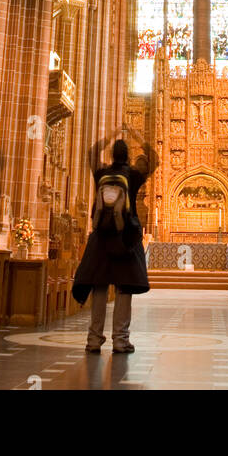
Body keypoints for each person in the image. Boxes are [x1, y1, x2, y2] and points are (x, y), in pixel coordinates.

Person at [72, 129, 158, 353]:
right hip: (125, 237)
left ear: (112, 155)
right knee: (124, 287)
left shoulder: (102, 173)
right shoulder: (132, 174)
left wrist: (108, 137)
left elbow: (91, 153)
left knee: (99, 286)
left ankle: (93, 339)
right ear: (128, 156)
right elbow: (154, 160)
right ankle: (120, 340)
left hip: (101, 236)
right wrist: (138, 136)